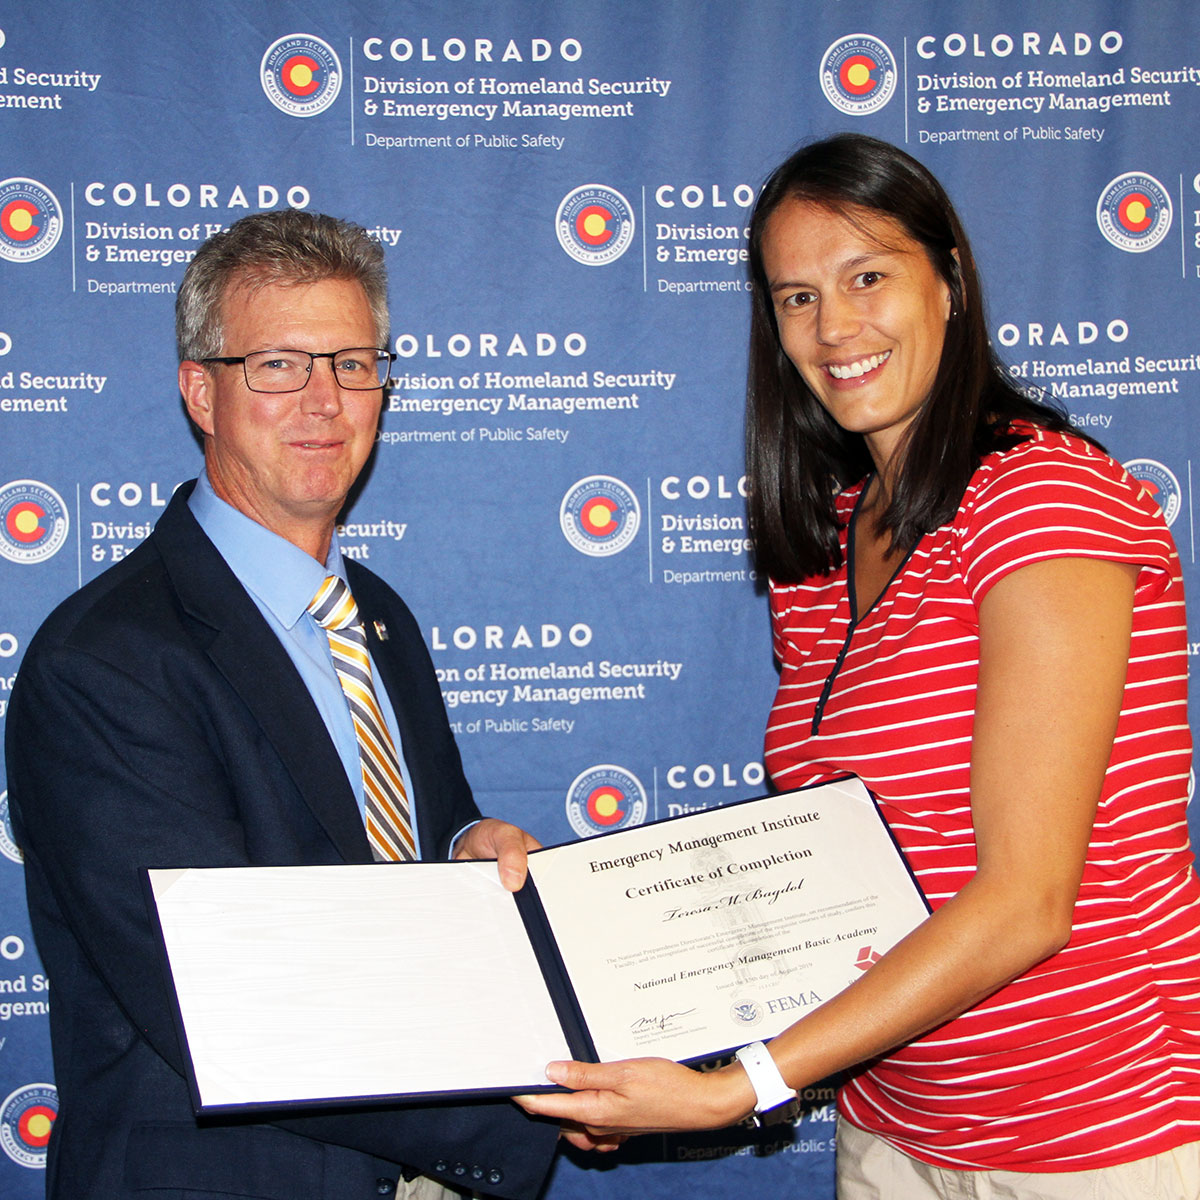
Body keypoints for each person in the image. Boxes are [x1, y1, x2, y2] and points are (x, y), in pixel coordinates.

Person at [517, 134, 1200, 1197]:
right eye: (795, 298)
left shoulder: (1041, 498)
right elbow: (843, 872)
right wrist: (666, 1045)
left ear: (952, 284)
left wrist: (735, 1088)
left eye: (866, 276)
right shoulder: (828, 544)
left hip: (1097, 1131)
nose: (833, 328)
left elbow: (1027, 901)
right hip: (895, 1126)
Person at [6, 209, 560, 1200]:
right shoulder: (105, 664)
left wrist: (467, 844)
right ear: (201, 393)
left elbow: (409, 839)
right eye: (278, 365)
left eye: (352, 364)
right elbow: (229, 998)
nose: (325, 401)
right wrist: (551, 1107)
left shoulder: (375, 614)